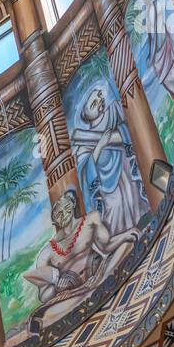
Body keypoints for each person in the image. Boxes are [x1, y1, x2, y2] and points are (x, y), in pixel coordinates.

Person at [22, 189, 138, 336]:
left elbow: (106, 246)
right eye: (58, 213)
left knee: (125, 247)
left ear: (73, 206)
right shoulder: (46, 253)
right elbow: (43, 296)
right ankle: (89, 299)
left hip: (98, 276)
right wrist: (57, 287)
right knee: (46, 318)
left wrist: (125, 235)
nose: (63, 214)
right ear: (54, 220)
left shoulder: (91, 219)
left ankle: (97, 292)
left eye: (66, 208)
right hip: (71, 295)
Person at [74, 85, 149, 236]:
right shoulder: (82, 139)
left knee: (133, 195)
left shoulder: (113, 112)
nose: (98, 103)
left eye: (99, 98)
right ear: (85, 115)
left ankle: (145, 224)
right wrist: (99, 146)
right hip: (106, 188)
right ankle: (123, 239)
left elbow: (129, 130)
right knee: (114, 208)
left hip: (125, 171)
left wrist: (113, 138)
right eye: (92, 104)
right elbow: (84, 172)